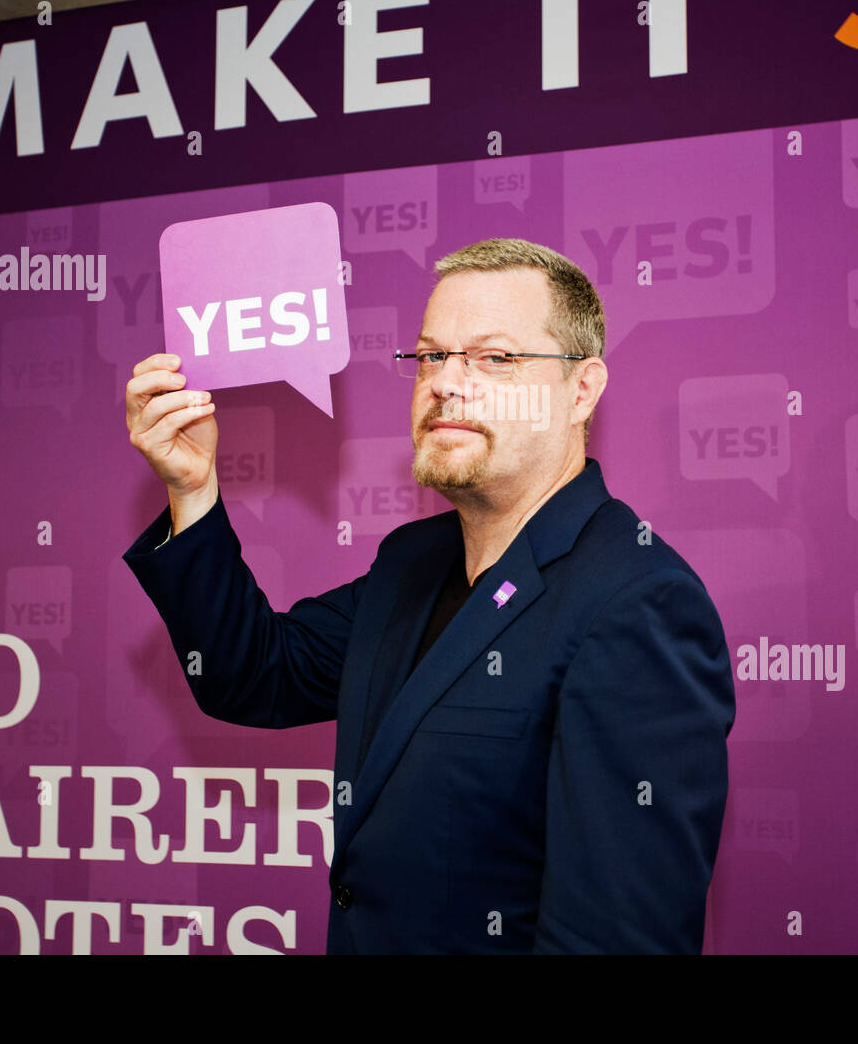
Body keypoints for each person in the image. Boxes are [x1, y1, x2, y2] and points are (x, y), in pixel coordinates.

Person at [122, 237, 735, 953]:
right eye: (431, 356)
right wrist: (193, 490)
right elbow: (254, 676)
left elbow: (614, 942)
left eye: (495, 358)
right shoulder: (412, 562)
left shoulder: (638, 603)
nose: (447, 382)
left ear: (582, 389)